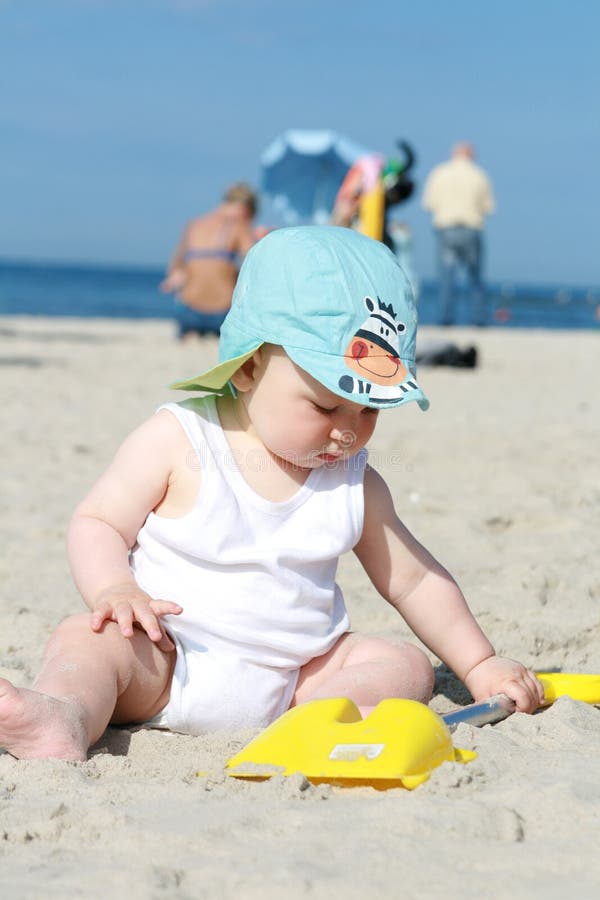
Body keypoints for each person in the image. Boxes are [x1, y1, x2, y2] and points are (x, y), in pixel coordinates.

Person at [0, 226, 543, 761]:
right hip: (166, 658)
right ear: (250, 366)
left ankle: (314, 728)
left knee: (404, 664)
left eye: (370, 409)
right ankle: (61, 717)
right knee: (87, 642)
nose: (347, 430)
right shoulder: (178, 439)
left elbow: (415, 579)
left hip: (298, 680)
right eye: (327, 406)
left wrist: (477, 664)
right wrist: (113, 586)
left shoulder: (355, 483)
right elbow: (98, 522)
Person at [160, 182, 257, 339]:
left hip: (187, 311)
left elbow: (175, 268)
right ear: (245, 210)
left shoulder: (194, 225)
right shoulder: (239, 225)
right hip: (221, 312)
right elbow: (255, 264)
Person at [422, 143, 495, 326]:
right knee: (475, 278)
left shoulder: (439, 173)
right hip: (471, 228)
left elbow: (429, 203)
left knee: (446, 278)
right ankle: (478, 319)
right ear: (471, 155)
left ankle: (446, 319)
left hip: (446, 229)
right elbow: (488, 207)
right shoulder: (479, 175)